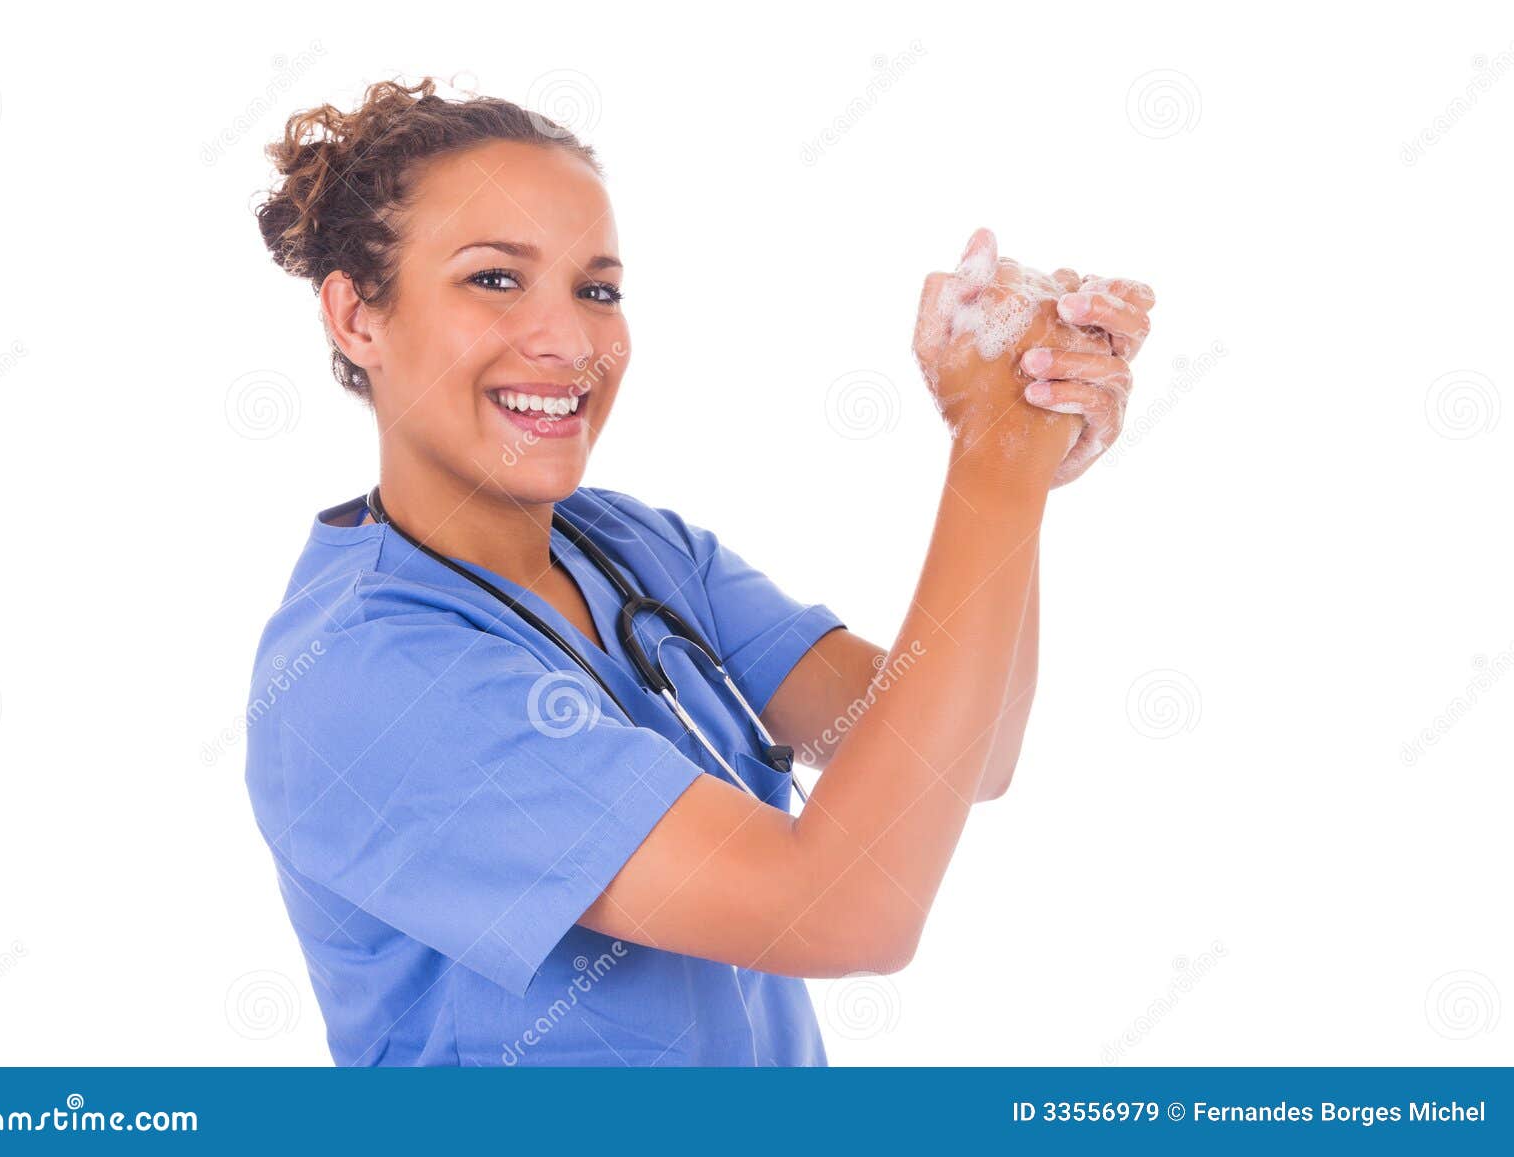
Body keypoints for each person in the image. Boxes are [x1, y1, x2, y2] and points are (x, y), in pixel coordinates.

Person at [242, 76, 1154, 1067]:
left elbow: (972, 754)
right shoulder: (368, 674)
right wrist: (994, 448)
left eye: (596, 290)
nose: (568, 342)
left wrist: (1027, 428)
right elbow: (848, 910)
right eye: (495, 279)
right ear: (357, 316)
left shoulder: (632, 548)